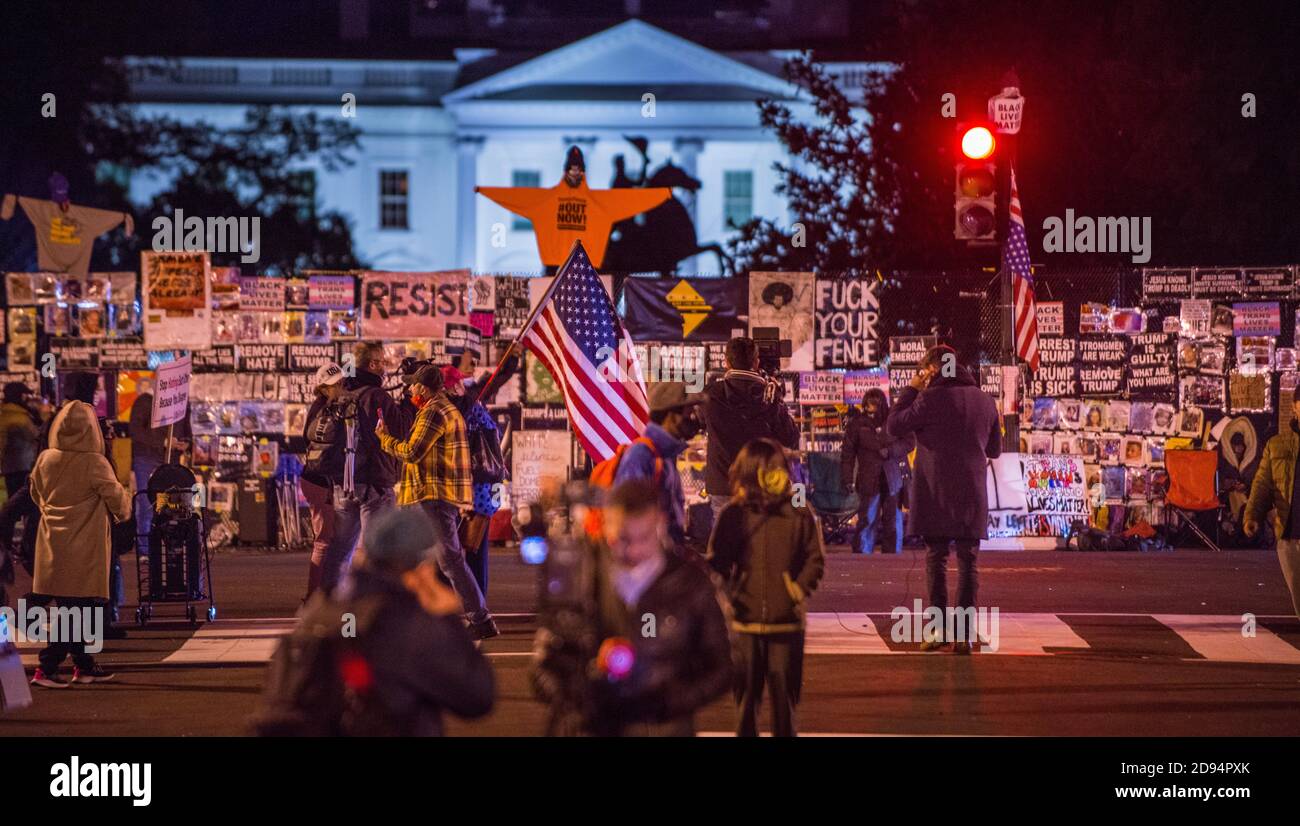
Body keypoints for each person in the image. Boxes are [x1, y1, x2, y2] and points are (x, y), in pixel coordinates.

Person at [254, 507, 495, 736]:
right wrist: (448, 618)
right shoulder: (405, 624)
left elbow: (348, 634)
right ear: (421, 567)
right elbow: (477, 695)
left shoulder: (323, 606)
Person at [531, 478, 732, 736]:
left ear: (659, 522)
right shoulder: (580, 573)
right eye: (622, 539)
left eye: (643, 538)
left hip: (664, 728)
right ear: (605, 526)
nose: (633, 551)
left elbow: (722, 666)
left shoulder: (689, 582)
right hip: (592, 727)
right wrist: (577, 697)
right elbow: (542, 665)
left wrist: (670, 701)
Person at [886, 345, 1001, 653]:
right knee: (968, 561)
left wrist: (912, 388)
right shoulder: (984, 400)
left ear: (933, 370)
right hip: (971, 491)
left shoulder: (928, 398)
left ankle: (939, 630)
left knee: (936, 558)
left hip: (935, 491)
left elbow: (894, 425)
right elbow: (994, 450)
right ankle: (963, 634)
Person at [708, 438, 824, 737]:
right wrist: (729, 597)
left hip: (786, 624)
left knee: (785, 705)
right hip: (743, 624)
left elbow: (814, 559)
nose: (778, 474)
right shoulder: (734, 515)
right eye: (770, 468)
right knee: (746, 705)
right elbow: (717, 564)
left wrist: (796, 591)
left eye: (780, 467)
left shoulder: (800, 512)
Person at [377, 364, 498, 641]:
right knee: (431, 560)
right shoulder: (445, 409)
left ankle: (480, 618)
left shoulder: (433, 411)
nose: (408, 390)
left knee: (449, 560)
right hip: (435, 495)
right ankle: (428, 614)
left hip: (431, 495)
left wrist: (385, 439)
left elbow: (412, 452)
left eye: (412, 386)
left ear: (423, 387)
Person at [28, 401, 132, 688]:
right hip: (85, 547)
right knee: (79, 609)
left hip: (51, 544)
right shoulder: (93, 462)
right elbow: (117, 501)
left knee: (70, 607)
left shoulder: (46, 459)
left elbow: (35, 493)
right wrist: (125, 507)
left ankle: (84, 665)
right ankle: (47, 666)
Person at [319, 341, 408, 595]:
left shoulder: (342, 392)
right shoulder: (376, 395)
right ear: (372, 364)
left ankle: (329, 603)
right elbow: (400, 429)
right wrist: (409, 403)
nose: (385, 369)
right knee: (377, 550)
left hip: (344, 484)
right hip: (373, 483)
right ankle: (371, 609)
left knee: (340, 550)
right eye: (382, 362)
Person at [701, 336, 799, 525]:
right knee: (759, 542)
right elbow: (790, 438)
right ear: (756, 362)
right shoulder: (768, 394)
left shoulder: (711, 393)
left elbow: (695, 423)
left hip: (723, 483)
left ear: (726, 362)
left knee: (725, 541)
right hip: (760, 483)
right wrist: (775, 398)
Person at [614, 382, 703, 549]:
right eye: (688, 413)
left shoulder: (665, 455)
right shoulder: (641, 456)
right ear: (671, 416)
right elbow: (630, 515)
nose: (692, 419)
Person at [443, 364, 502, 594]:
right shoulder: (473, 407)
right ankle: (477, 603)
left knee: (450, 552)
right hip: (478, 490)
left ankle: (455, 603)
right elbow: (491, 433)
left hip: (456, 489)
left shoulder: (447, 411)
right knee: (475, 552)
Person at [1243, 384, 1300, 618]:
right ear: (1296, 408)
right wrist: (1252, 516)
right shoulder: (1277, 445)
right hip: (1290, 537)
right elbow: (1262, 485)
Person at [841, 388, 913, 554]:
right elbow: (848, 453)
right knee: (867, 519)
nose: (869, 408)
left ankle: (893, 556)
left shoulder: (894, 421)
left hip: (893, 478)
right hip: (868, 478)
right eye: (867, 404)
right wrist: (847, 478)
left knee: (893, 521)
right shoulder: (857, 424)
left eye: (873, 405)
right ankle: (862, 556)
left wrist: (891, 451)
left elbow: (909, 442)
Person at [300, 362, 345, 598]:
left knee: (328, 540)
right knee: (325, 541)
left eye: (340, 382)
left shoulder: (318, 407)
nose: (339, 387)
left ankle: (321, 595)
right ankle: (314, 598)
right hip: (321, 480)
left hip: (314, 478)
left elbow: (305, 441)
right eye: (335, 384)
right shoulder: (328, 409)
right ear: (324, 387)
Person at [0, 382, 39, 498]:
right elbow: (36, 438)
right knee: (26, 506)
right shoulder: (20, 418)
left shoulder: (8, 415)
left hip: (11, 469)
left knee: (15, 503)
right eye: (25, 395)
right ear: (19, 396)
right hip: (23, 469)